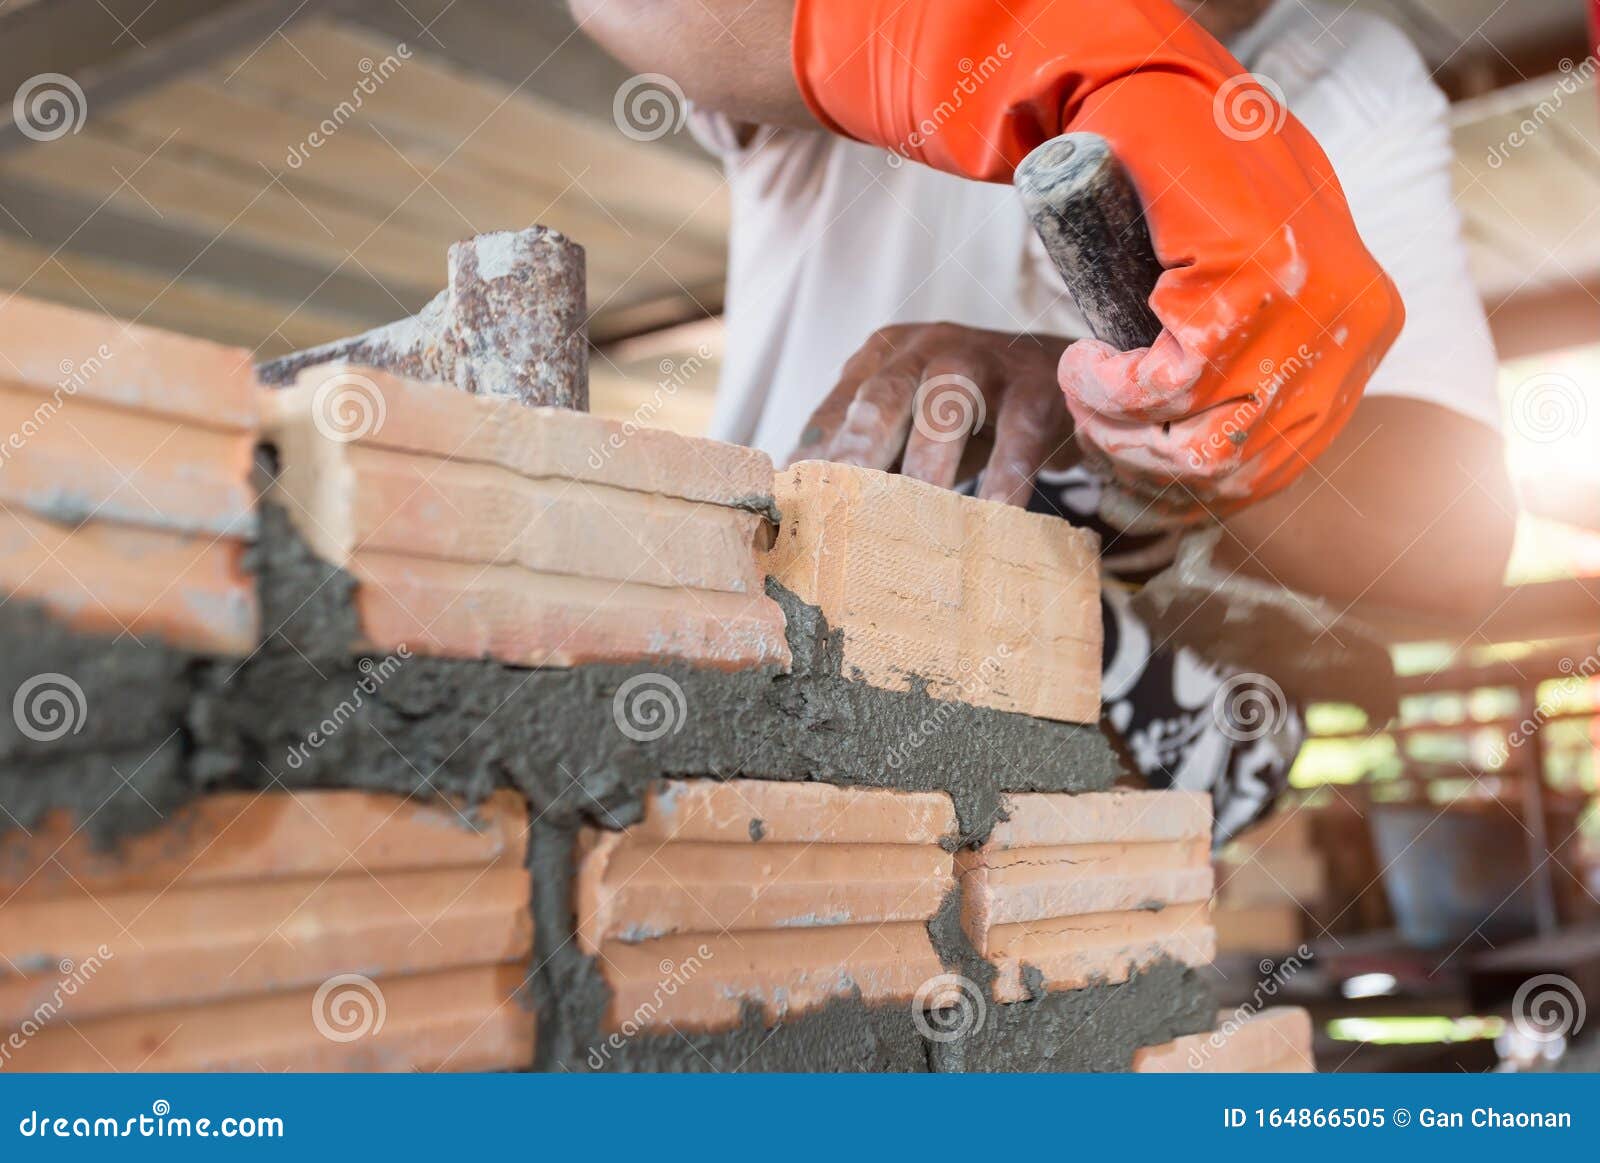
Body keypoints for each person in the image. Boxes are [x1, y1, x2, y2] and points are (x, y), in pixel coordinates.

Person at [572, 0, 1516, 841]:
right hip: (758, 673)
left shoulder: (1347, 64)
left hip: (1075, 780)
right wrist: (1052, 49)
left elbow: (1447, 546)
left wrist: (1164, 421)